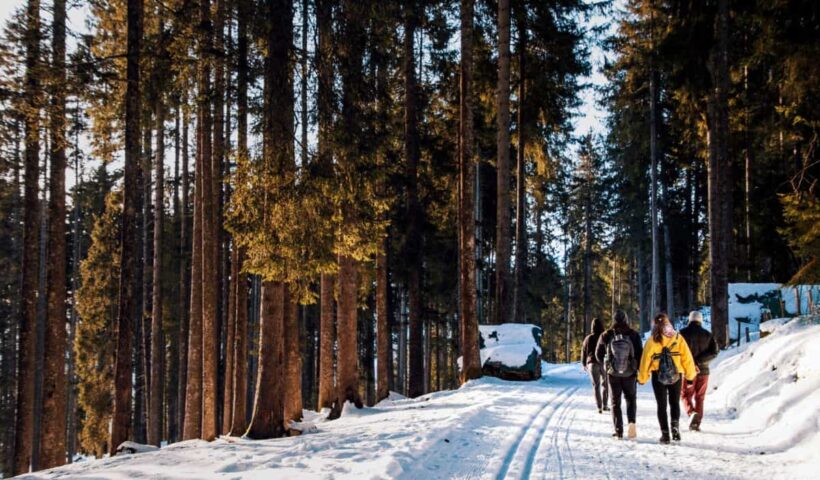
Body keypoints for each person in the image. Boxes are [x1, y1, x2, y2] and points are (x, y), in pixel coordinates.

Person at [638, 313, 697, 444]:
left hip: (658, 376)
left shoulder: (652, 340)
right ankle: (675, 428)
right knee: (674, 403)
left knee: (661, 405)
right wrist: (690, 376)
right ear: (667, 323)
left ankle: (665, 434)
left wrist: (642, 378)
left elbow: (645, 361)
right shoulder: (677, 338)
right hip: (676, 375)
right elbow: (687, 358)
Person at [595, 310, 642, 440]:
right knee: (631, 399)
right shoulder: (634, 335)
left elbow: (598, 355)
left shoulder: (606, 335)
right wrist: (635, 368)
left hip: (612, 373)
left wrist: (606, 365)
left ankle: (618, 430)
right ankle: (631, 422)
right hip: (630, 374)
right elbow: (640, 354)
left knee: (615, 402)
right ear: (626, 319)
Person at [679, 310, 719, 431]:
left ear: (689, 320)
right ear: (700, 320)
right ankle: (697, 422)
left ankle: (692, 413)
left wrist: (690, 362)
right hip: (704, 371)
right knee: (700, 397)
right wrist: (700, 361)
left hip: (687, 371)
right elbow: (715, 352)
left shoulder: (681, 334)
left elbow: (676, 352)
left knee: (685, 394)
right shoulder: (708, 334)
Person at [582, 318, 609, 414]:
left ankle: (599, 407)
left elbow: (584, 352)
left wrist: (584, 363)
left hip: (592, 364)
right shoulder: (604, 336)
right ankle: (605, 405)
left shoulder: (588, 338)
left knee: (596, 385)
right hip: (603, 362)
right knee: (605, 384)